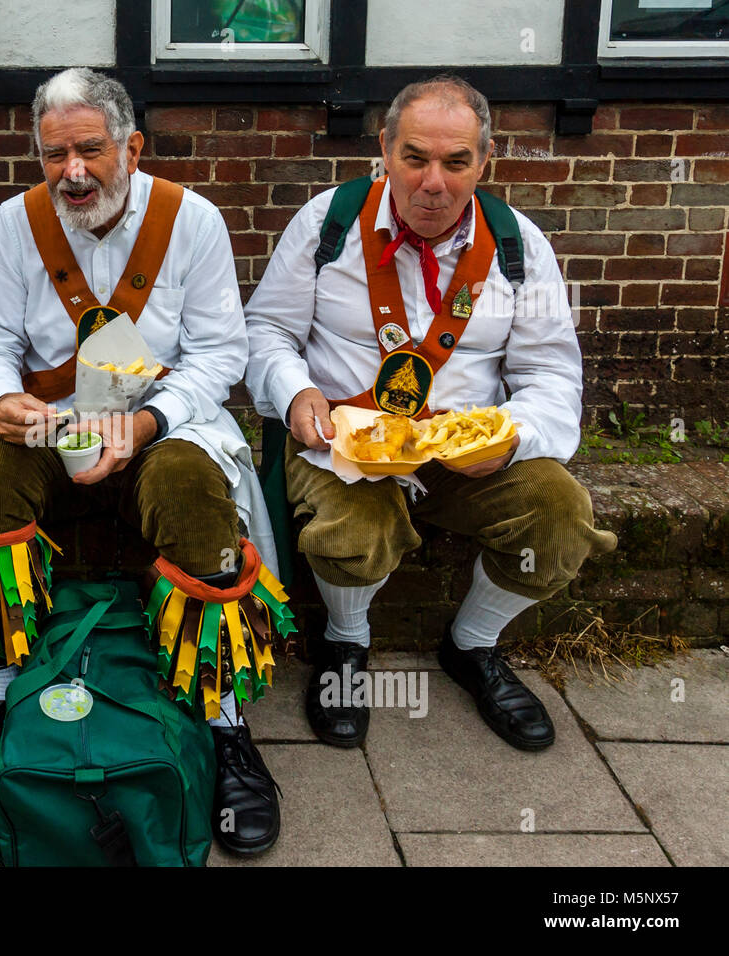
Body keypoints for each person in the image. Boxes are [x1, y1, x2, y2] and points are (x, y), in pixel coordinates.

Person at [0, 67, 294, 856]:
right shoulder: (14, 225)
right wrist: (1, 404)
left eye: (91, 150)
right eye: (55, 155)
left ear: (131, 144)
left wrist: (150, 422)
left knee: (194, 495)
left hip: (163, 428)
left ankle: (223, 718)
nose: (74, 172)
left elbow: (220, 354)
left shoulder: (193, 222)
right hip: (53, 429)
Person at [245, 75, 616, 752]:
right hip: (344, 444)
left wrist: (511, 439)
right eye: (415, 157)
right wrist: (295, 392)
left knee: (561, 517)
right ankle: (345, 642)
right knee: (352, 527)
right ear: (384, 150)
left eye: (455, 162)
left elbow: (551, 374)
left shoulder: (519, 245)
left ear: (485, 160)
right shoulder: (328, 223)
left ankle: (471, 647)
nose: (433, 183)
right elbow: (267, 330)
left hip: (463, 455)